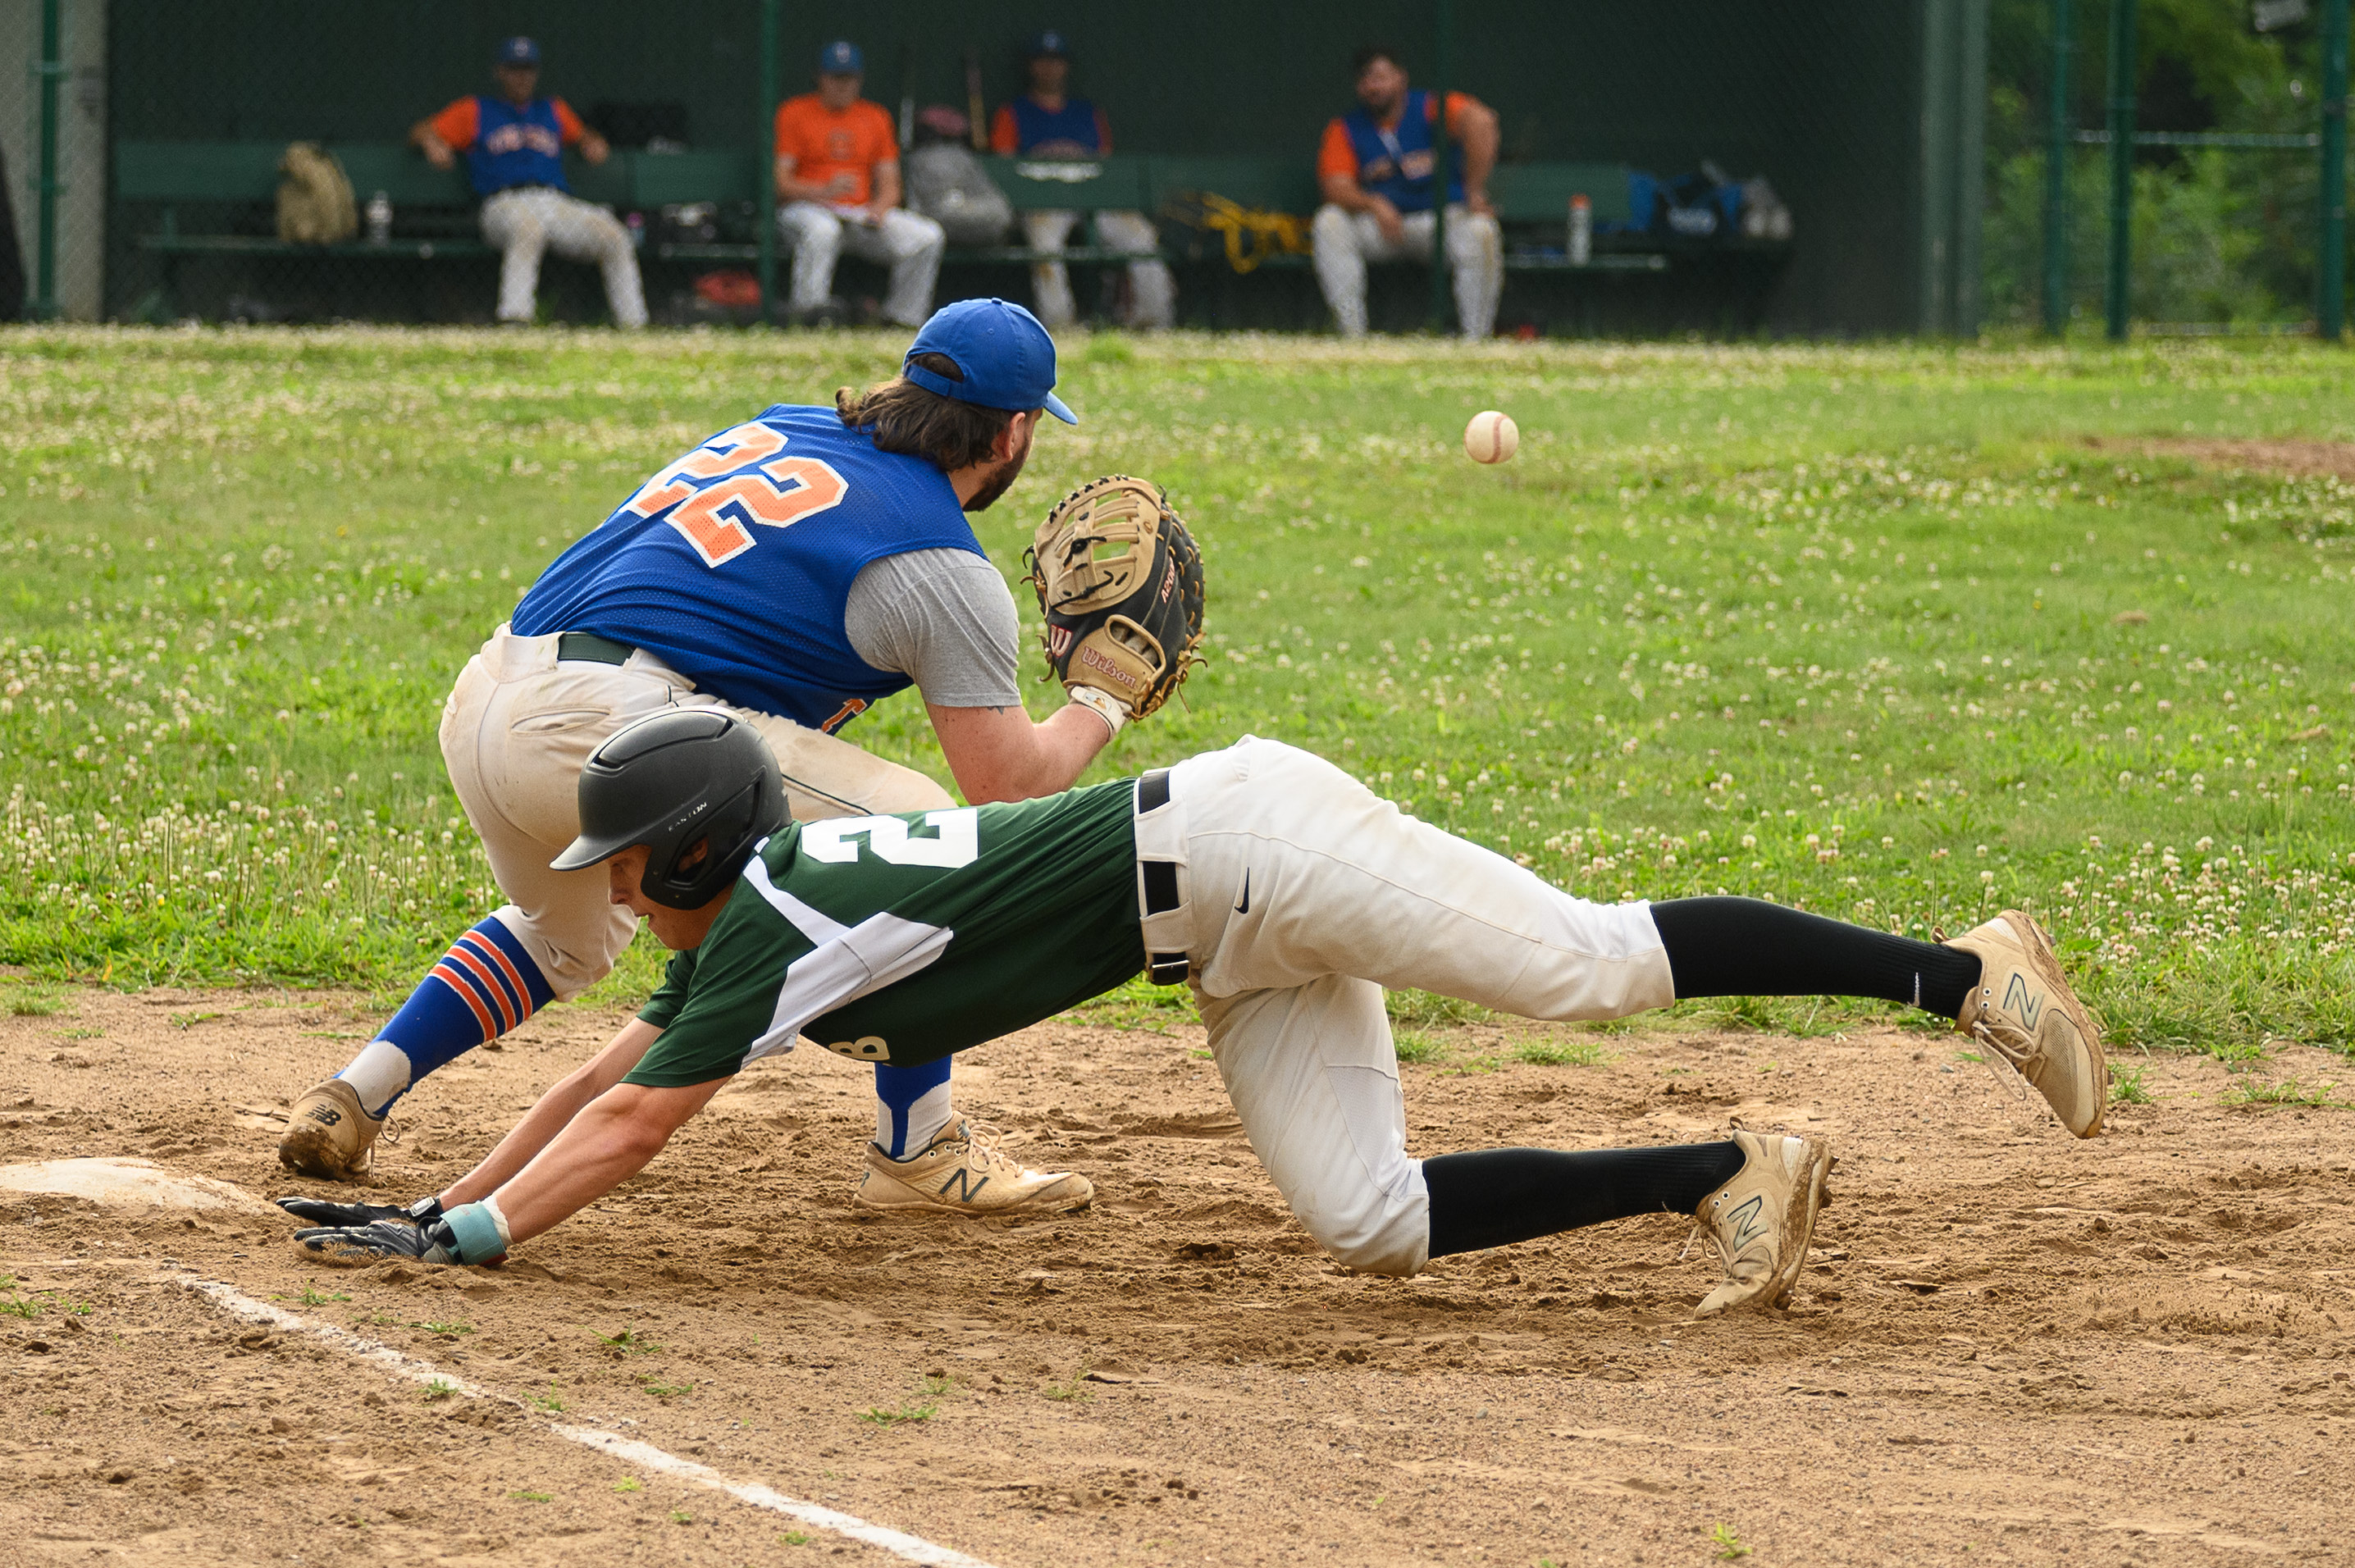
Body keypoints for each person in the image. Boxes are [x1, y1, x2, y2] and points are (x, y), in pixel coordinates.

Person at [285, 716, 2108, 1317]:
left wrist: (477, 1230)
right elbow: (616, 1067)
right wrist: (451, 1190)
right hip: (1217, 935)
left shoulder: (764, 914)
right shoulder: (756, 914)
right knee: (1368, 1220)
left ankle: (1959, 972)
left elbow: (634, 1121)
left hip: (1244, 841)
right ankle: (1727, 1172)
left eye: (621, 856)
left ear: (684, 847)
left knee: (1587, 960)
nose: (606, 883)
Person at [276, 298, 1134, 1219]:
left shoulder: (781, 428)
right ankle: (918, 1147)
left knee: (564, 935)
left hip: (491, 695)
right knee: (920, 835)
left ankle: (355, 1093)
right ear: (1013, 434)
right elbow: (1002, 787)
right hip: (608, 720)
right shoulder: (943, 562)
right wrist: (1103, 699)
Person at [411, 37, 646, 329]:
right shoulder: (475, 110)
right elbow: (420, 130)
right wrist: (433, 143)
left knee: (615, 236)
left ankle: (634, 325)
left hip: (553, 203)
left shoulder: (552, 110)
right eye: (513, 69)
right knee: (527, 229)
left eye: (527, 69)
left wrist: (591, 142)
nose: (521, 77)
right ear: (499, 72)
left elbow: (586, 136)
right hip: (501, 205)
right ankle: (516, 320)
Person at [1311, 44, 1501, 340]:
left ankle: (1475, 339)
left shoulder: (1428, 108)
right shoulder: (1347, 128)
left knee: (1481, 231)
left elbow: (1482, 121)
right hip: (1383, 228)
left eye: (1381, 77)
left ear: (1401, 78)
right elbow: (1335, 186)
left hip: (1439, 220)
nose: (1374, 86)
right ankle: (1352, 337)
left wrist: (1475, 189)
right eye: (1366, 80)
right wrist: (1373, 203)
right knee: (1329, 223)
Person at [988, 30, 1175, 332]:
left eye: (1056, 61)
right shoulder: (1013, 113)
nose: (1050, 68)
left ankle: (1152, 322)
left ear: (1066, 66)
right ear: (1031, 66)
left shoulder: (1087, 113)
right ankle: (1061, 326)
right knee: (1045, 245)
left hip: (1094, 200)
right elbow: (1005, 168)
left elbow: (1106, 165)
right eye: (1042, 61)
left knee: (1141, 236)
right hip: (1043, 202)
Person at [774, 41, 947, 327]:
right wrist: (823, 191)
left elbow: (891, 185)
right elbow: (780, 185)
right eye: (835, 78)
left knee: (927, 236)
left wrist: (878, 210)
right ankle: (809, 315)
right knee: (822, 230)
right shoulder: (794, 112)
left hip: (859, 215)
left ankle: (901, 320)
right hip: (804, 210)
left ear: (860, 80)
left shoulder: (875, 117)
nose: (842, 86)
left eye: (849, 78)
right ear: (820, 77)